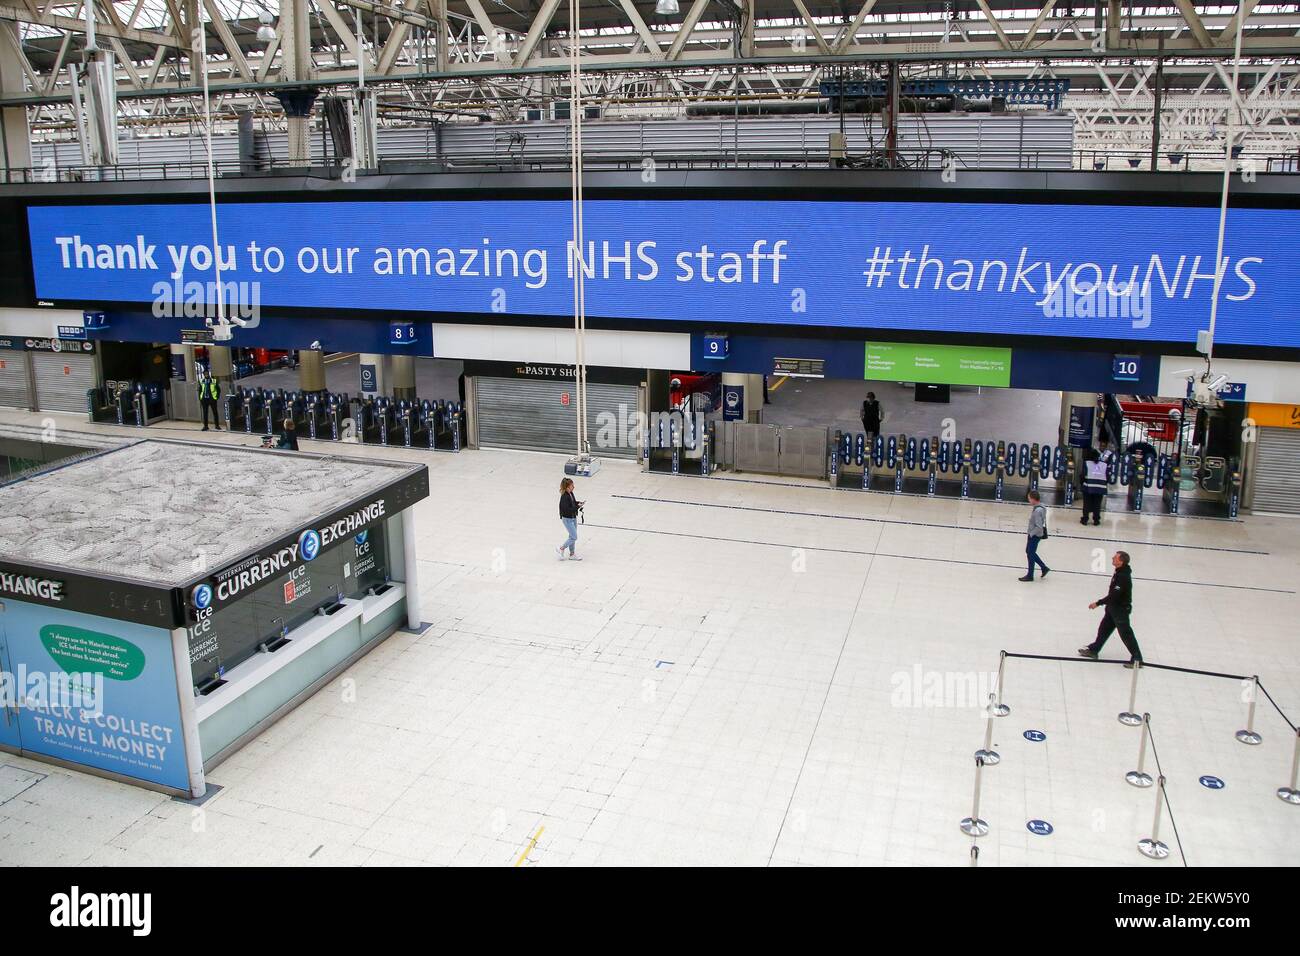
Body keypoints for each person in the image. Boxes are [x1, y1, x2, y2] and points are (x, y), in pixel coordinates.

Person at [1078, 551, 1144, 666]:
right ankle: (1094, 650)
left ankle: (1137, 658)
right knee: (1103, 629)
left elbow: (1114, 595)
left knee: (1126, 634)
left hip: (1120, 610)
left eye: (1115, 557)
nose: (1112, 558)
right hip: (1113, 608)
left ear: (1121, 561)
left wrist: (1098, 603)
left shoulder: (1123, 576)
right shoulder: (1119, 571)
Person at [1019, 489, 1051, 582]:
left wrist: (1031, 534)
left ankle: (1030, 575)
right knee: (1029, 552)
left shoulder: (1037, 511)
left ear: (1033, 499)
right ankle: (1043, 568)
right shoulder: (1041, 507)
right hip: (1036, 534)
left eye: (1029, 498)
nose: (1028, 500)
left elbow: (1039, 526)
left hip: (1035, 535)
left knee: (1030, 553)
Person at [1080, 447, 1107, 526]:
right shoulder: (1104, 464)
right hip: (1100, 488)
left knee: (1087, 504)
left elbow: (1083, 475)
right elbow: (1107, 475)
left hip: (1088, 487)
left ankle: (1085, 519)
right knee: (1097, 504)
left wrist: (1081, 483)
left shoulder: (1087, 463)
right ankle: (1096, 520)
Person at [558, 477, 583, 561]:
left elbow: (572, 503)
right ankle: (561, 548)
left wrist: (577, 503)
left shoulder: (571, 493)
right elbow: (567, 509)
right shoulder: (564, 497)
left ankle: (572, 554)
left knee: (571, 536)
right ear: (567, 487)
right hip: (567, 519)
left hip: (573, 518)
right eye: (572, 485)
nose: (573, 487)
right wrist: (577, 507)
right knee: (574, 537)